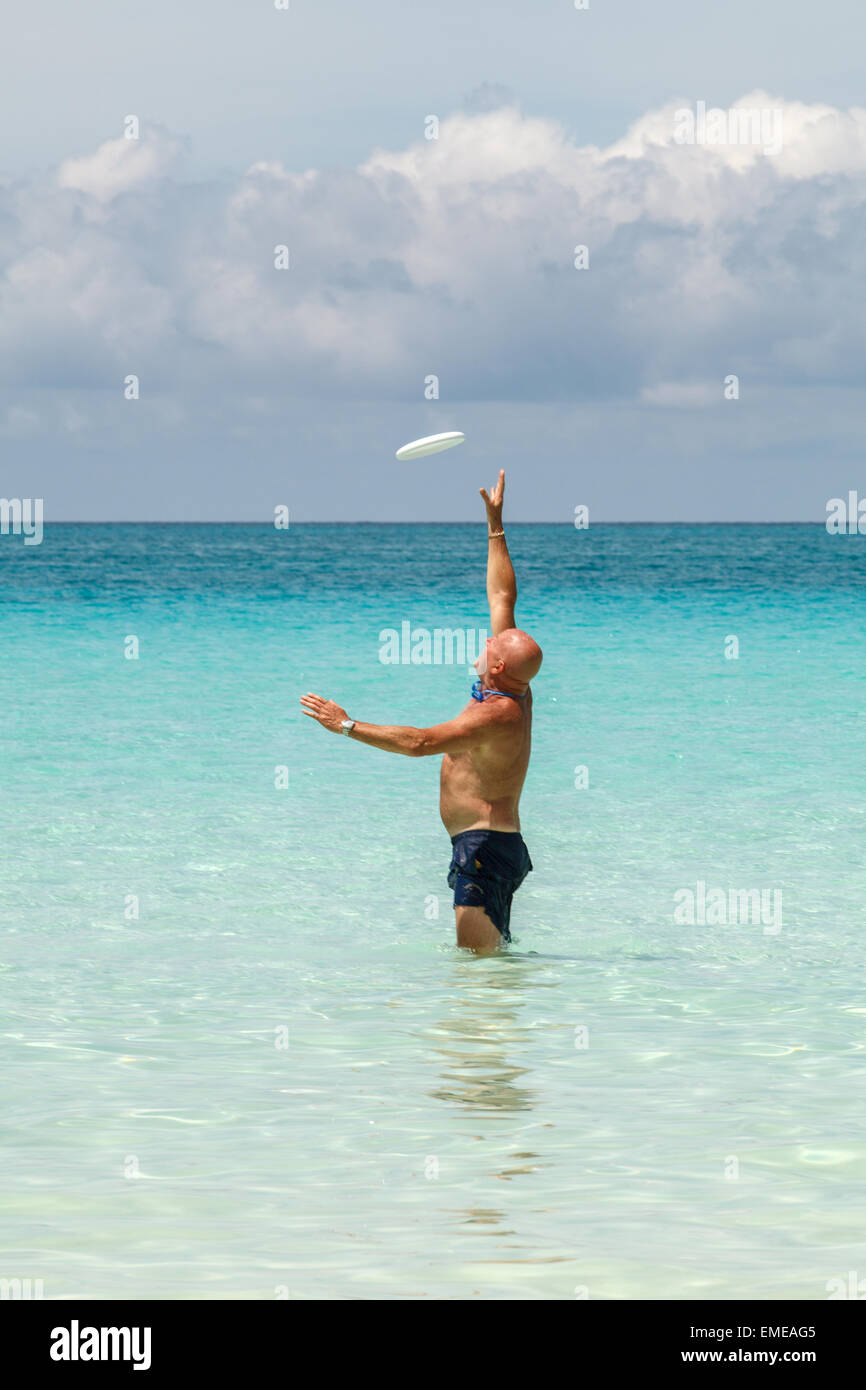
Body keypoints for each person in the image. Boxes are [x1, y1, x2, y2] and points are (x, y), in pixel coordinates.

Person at [300, 470, 542, 952]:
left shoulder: (495, 715)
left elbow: (422, 743)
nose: (489, 635)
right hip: (492, 847)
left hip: (484, 849)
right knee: (493, 967)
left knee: (478, 970)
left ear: (496, 663)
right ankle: (510, 1025)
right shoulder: (512, 683)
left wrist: (345, 725)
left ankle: (484, 1027)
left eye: (492, 641)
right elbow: (502, 596)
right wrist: (496, 526)